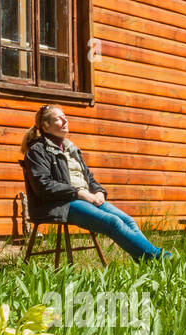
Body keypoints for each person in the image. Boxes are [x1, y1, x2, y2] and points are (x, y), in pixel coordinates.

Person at [21, 105, 170, 261]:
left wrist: (98, 191)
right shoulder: (38, 151)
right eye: (59, 118)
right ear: (45, 125)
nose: (65, 120)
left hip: (84, 199)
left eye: (65, 116)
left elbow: (88, 177)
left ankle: (146, 260)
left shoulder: (71, 148)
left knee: (128, 220)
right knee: (112, 222)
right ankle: (159, 258)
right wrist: (79, 193)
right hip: (58, 204)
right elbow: (43, 186)